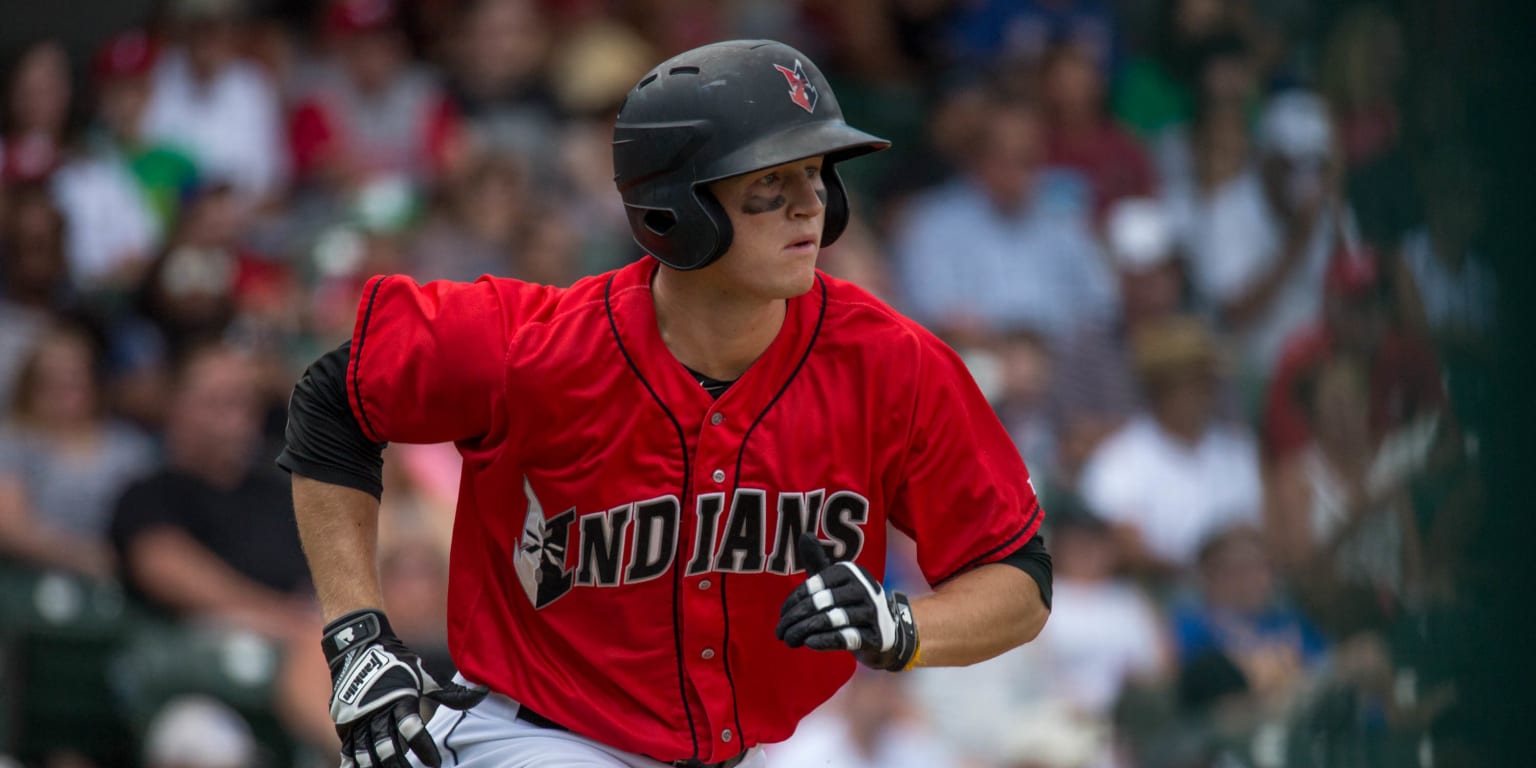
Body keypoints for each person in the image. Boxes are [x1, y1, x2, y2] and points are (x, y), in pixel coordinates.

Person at [278, 40, 1051, 768]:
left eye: (817, 175)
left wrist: (907, 627)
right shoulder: (535, 345)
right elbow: (333, 400)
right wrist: (358, 636)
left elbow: (1017, 573)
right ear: (674, 209)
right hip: (530, 738)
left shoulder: (891, 363)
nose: (809, 206)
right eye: (768, 185)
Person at [1077, 315, 1262, 577]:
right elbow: (1125, 547)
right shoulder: (1118, 459)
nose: (1201, 394)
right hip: (1160, 596)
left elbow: (1260, 532)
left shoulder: (1238, 451)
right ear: (1157, 389)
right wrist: (1195, 571)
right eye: (1187, 383)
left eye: (1206, 381)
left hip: (1241, 590)